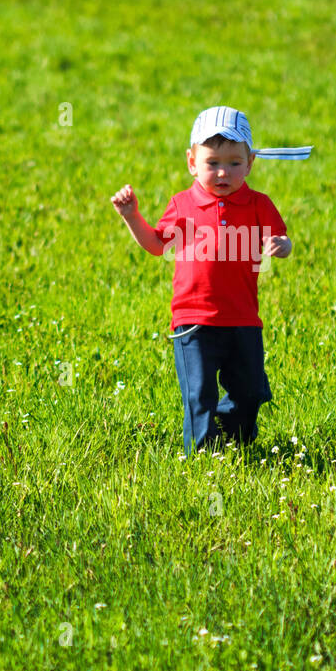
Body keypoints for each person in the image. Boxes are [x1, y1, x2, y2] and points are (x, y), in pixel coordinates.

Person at [111, 106, 312, 455]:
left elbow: (282, 240)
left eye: (234, 163)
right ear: (192, 162)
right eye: (212, 162)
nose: (223, 172)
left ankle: (235, 440)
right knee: (199, 394)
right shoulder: (182, 204)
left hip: (243, 319)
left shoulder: (258, 204)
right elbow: (157, 245)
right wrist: (132, 217)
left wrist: (283, 245)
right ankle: (203, 457)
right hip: (193, 320)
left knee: (250, 391)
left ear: (250, 163)